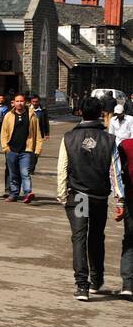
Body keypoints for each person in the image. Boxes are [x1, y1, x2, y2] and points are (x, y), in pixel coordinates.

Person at [58, 97, 117, 300]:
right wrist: (120, 198)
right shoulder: (110, 139)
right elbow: (114, 172)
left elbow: (62, 168)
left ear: (80, 112)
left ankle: (81, 285)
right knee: (97, 236)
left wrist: (61, 194)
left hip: (80, 196)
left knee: (79, 237)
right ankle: (97, 278)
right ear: (101, 112)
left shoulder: (68, 137)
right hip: (100, 196)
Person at [0, 94, 42, 203]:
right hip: (11, 150)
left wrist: (37, 149)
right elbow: (3, 133)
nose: (19, 103)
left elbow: (37, 133)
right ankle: (14, 194)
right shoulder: (9, 115)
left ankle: (28, 193)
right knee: (13, 174)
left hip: (26, 150)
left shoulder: (32, 115)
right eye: (17, 101)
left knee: (25, 173)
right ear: (13, 102)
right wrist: (5, 147)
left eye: (21, 101)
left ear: (25, 102)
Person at [115, 137, 132, 299]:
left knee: (130, 240)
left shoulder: (126, 145)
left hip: (131, 199)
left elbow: (118, 173)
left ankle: (128, 284)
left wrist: (119, 202)